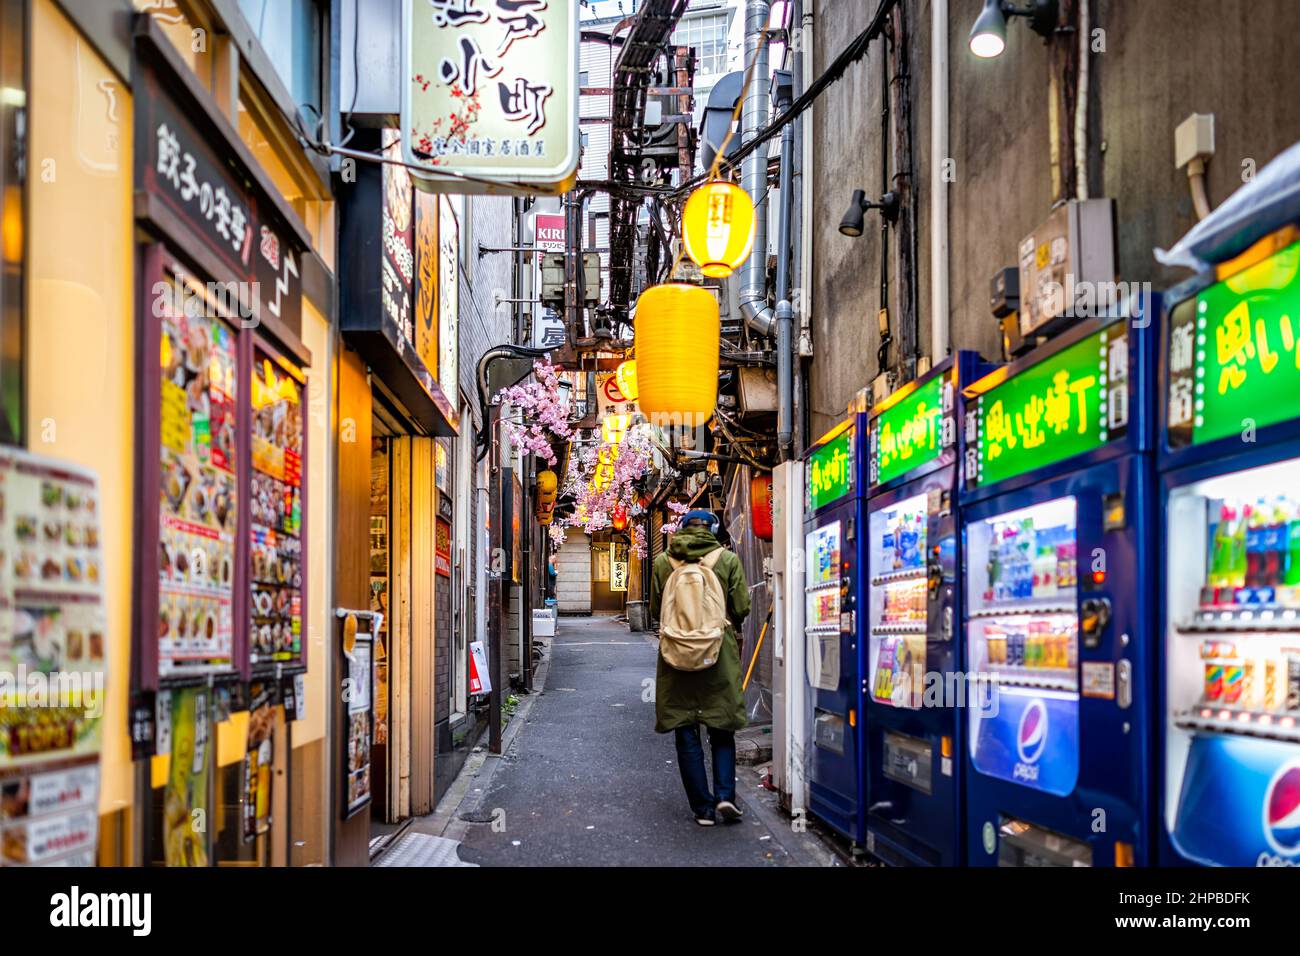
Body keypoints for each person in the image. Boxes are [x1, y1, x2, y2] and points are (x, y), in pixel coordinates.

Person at [649, 509, 751, 826]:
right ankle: (724, 797)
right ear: (713, 529)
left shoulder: (664, 562)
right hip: (718, 654)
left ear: (680, 529)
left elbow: (656, 610)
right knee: (721, 727)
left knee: (686, 729)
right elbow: (741, 608)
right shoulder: (727, 560)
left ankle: (702, 810)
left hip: (676, 656)